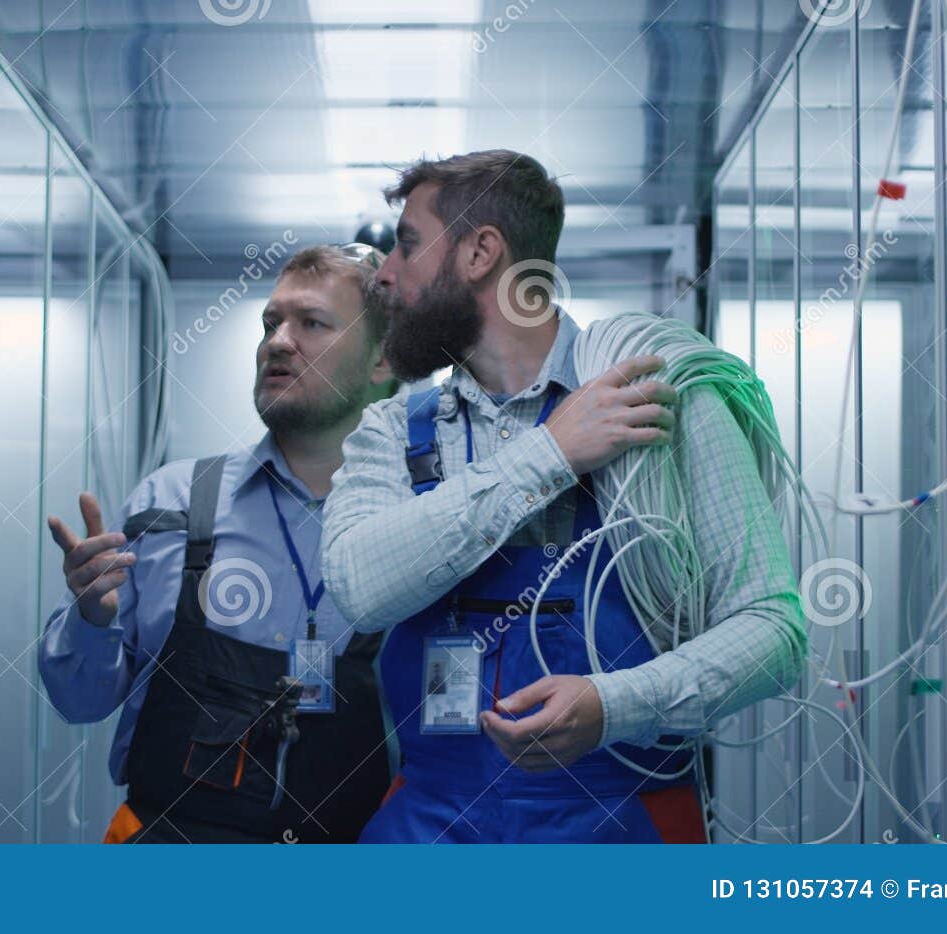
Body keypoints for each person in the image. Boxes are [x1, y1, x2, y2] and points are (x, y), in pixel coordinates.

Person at [320, 150, 806, 843]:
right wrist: (551, 453)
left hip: (621, 826)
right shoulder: (393, 430)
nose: (385, 275)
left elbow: (775, 630)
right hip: (431, 827)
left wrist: (616, 704)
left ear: (480, 252)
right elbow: (361, 590)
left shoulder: (660, 398)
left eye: (407, 244)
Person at [39, 244, 397, 843]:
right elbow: (77, 702)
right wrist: (90, 620)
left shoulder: (421, 525)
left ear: (383, 359)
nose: (278, 341)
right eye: (270, 323)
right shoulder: (174, 500)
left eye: (311, 323)